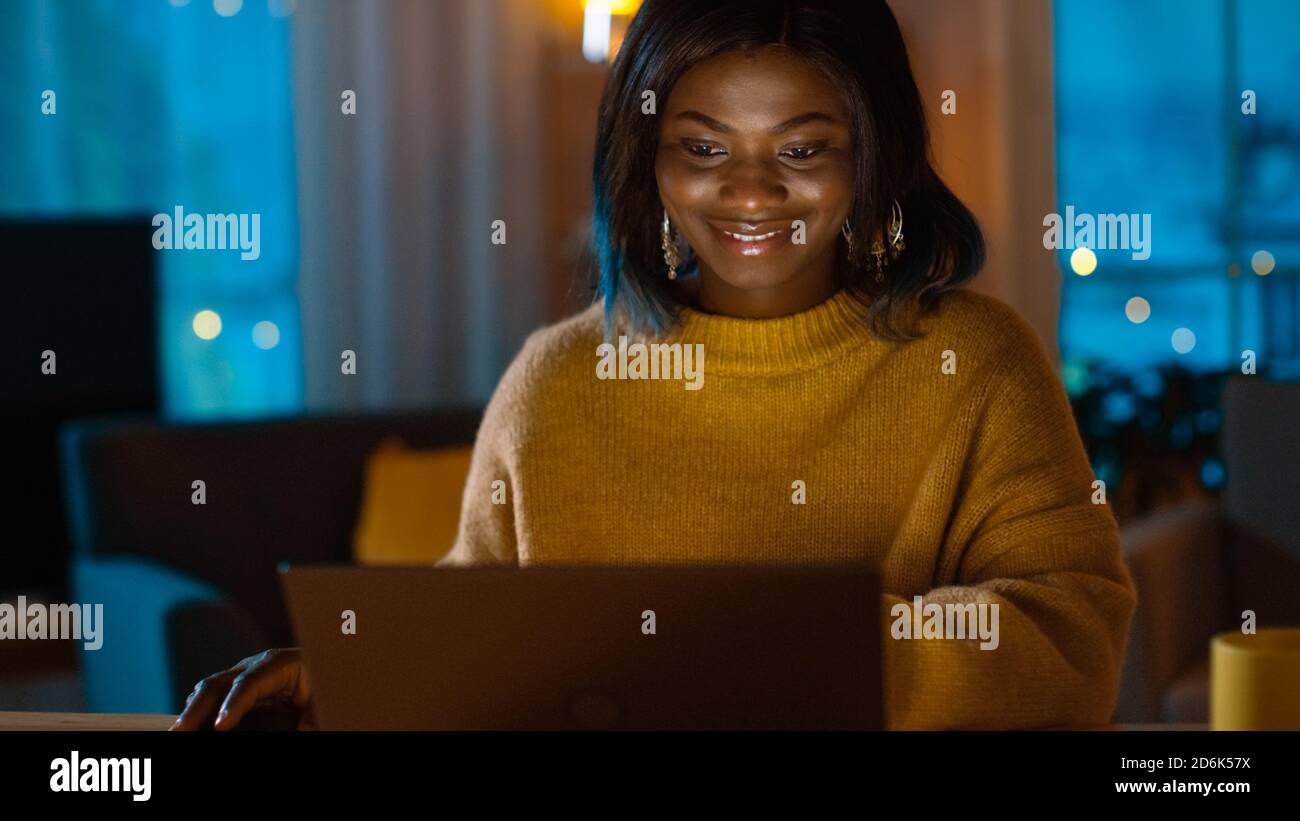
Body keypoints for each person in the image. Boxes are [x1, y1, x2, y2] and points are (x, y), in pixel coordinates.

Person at [173, 0, 1136, 732]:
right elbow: (477, 636)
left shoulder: (976, 363)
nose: (750, 190)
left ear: (874, 155)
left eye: (802, 147)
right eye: (702, 148)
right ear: (647, 160)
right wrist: (349, 673)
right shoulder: (555, 383)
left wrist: (747, 657)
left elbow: (1070, 639)